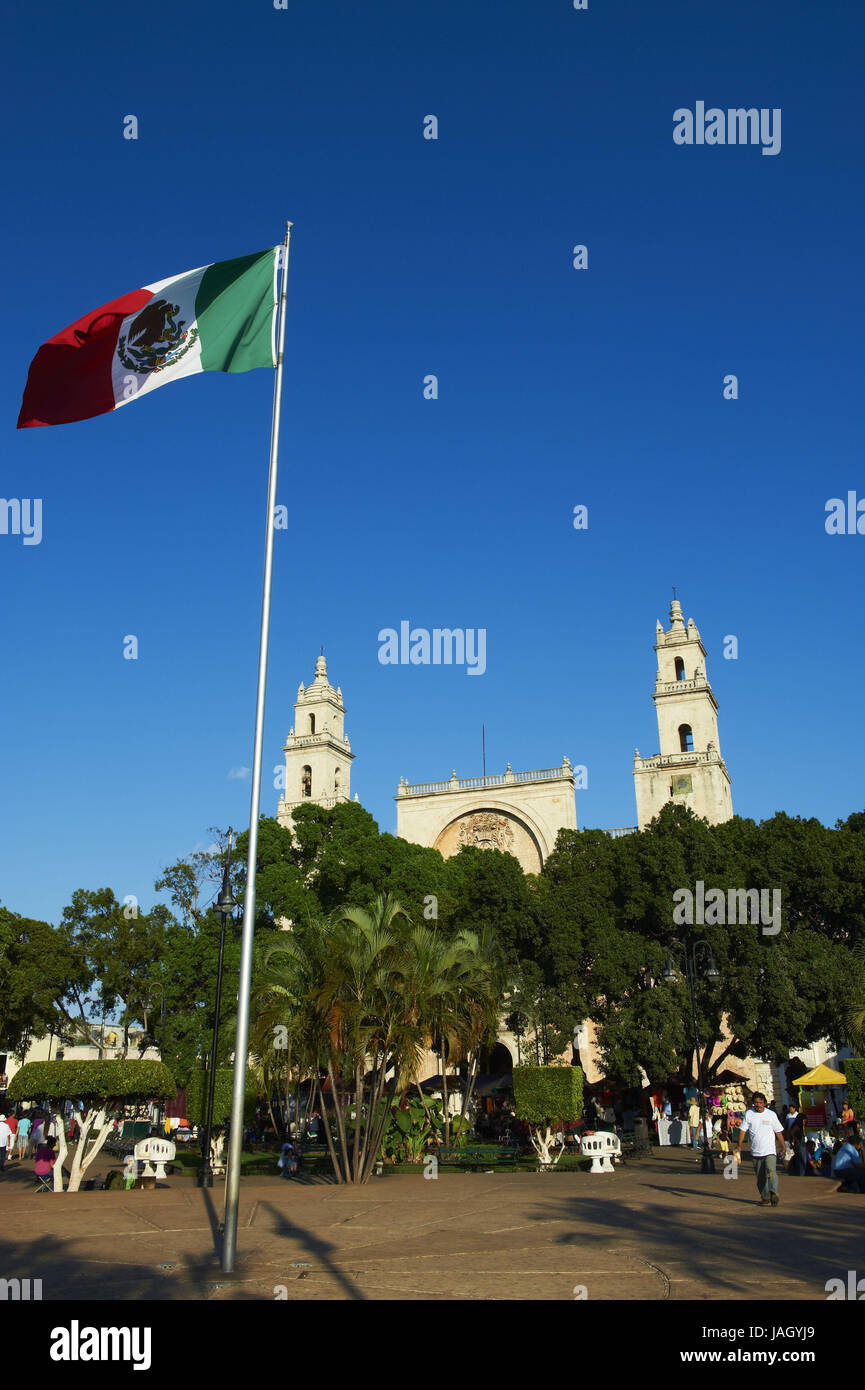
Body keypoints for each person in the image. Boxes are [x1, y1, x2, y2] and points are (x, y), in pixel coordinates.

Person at [737, 1092, 786, 1206]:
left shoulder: (771, 1114)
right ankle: (765, 1197)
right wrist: (739, 1145)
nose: (758, 1105)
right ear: (753, 1104)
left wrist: (783, 1146)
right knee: (760, 1177)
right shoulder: (749, 1114)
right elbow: (743, 1130)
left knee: (771, 1171)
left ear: (764, 1103)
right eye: (756, 1103)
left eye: (760, 1102)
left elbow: (778, 1131)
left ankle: (774, 1192)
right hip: (756, 1151)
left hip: (769, 1150)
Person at [830, 1125, 865, 1193]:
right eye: (860, 1144)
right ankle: (862, 1192)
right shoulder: (852, 1150)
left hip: (839, 1170)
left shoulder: (846, 1147)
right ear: (856, 1144)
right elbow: (857, 1165)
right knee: (863, 1174)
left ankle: (851, 1188)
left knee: (856, 1174)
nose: (860, 1146)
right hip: (842, 1171)